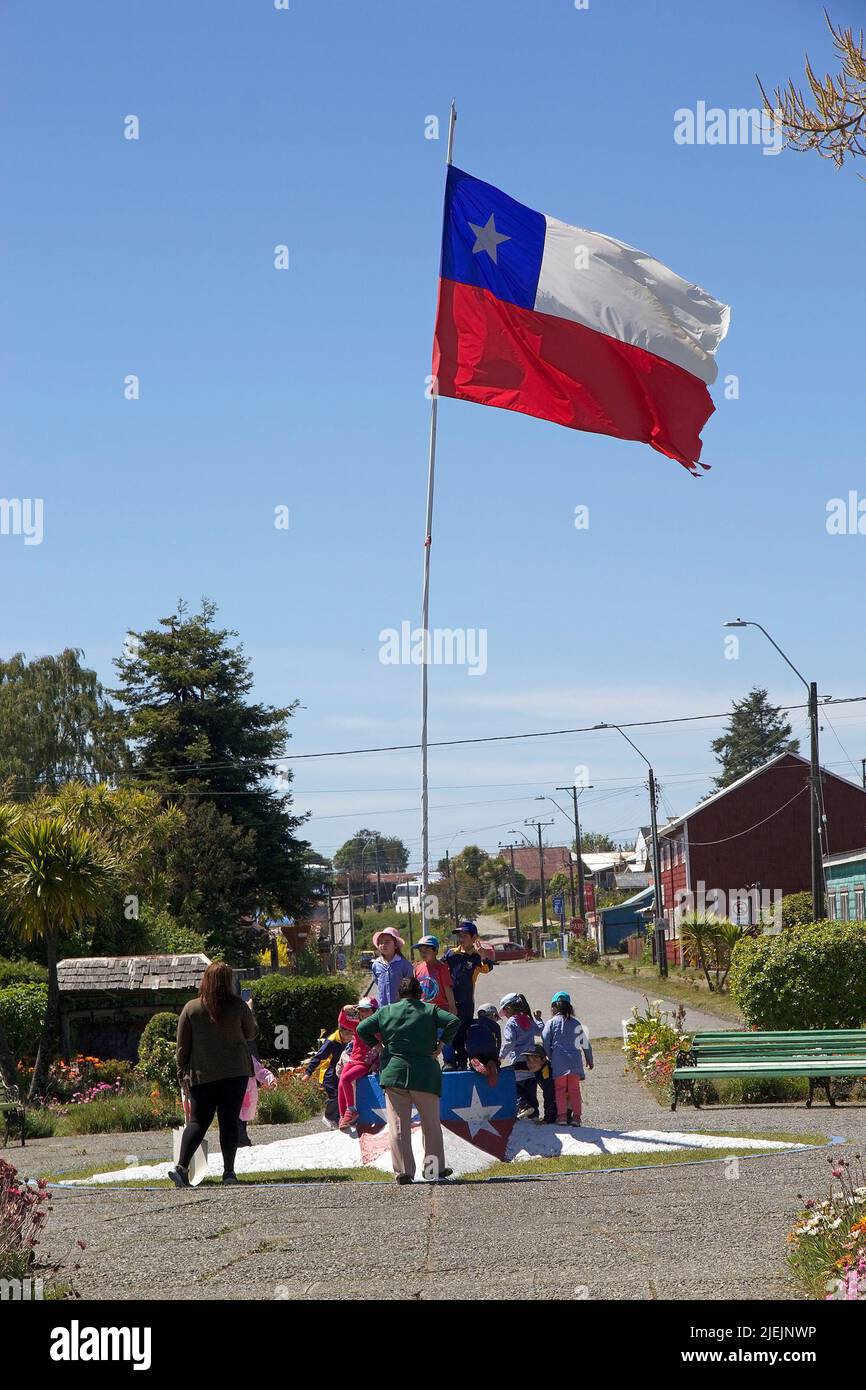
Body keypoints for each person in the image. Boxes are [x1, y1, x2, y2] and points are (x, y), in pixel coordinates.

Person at [355, 975, 460, 1185]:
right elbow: (454, 1021)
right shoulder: (429, 1010)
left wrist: (377, 1046)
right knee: (430, 1125)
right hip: (424, 1074)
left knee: (398, 1126)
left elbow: (361, 1029)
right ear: (420, 993)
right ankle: (433, 1169)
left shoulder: (385, 1011)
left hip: (395, 1073)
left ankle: (404, 1171)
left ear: (398, 995)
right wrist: (441, 1044)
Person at [169, 962, 256, 1188]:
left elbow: (182, 1046)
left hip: (202, 1073)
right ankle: (228, 1173)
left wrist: (181, 1071)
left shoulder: (191, 1008)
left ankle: (181, 1167)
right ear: (228, 981)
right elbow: (251, 1033)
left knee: (198, 1121)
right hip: (234, 1072)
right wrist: (250, 1009)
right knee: (228, 1121)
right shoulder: (238, 1006)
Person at [441, 922, 495, 1069]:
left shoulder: (477, 957)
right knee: (449, 1031)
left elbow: (487, 969)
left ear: (474, 938)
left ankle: (463, 1062)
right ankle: (449, 1062)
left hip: (466, 1002)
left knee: (464, 1033)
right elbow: (439, 967)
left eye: (465, 936)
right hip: (450, 1000)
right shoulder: (451, 954)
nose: (461, 939)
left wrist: (483, 955)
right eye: (459, 936)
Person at [542, 991, 594, 1127]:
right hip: (575, 1063)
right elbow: (585, 1043)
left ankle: (562, 1117)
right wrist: (589, 1059)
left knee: (559, 1090)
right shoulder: (576, 1023)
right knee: (574, 1090)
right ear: (570, 1008)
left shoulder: (551, 1023)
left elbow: (545, 1040)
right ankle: (576, 1117)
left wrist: (550, 1055)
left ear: (553, 1007)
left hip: (559, 1062)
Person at [337, 998, 380, 1130]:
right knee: (340, 1085)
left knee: (346, 1079)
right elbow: (342, 1021)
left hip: (365, 1063)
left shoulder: (379, 1029)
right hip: (353, 1060)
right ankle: (343, 1116)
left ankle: (352, 1110)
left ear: (374, 1011)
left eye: (367, 1010)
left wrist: (377, 1063)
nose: (364, 1013)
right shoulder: (357, 1025)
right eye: (361, 1010)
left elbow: (383, 1048)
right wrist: (344, 1009)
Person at [498, 993, 542, 1119]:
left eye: (504, 1011)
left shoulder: (512, 1022)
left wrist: (500, 1057)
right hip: (531, 1062)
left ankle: (523, 1106)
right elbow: (540, 1031)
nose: (505, 1015)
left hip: (518, 1060)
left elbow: (509, 1042)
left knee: (516, 1087)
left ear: (509, 1008)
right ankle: (534, 1114)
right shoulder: (528, 1019)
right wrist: (538, 1019)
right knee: (531, 1088)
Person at [306, 1016, 354, 1128]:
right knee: (336, 1095)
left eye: (351, 1034)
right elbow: (318, 1056)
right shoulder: (331, 1041)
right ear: (341, 1031)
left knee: (345, 1094)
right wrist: (308, 1072)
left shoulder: (349, 1040)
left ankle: (339, 1119)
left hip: (341, 1072)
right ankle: (329, 1117)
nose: (350, 1038)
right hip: (329, 1074)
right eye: (347, 1034)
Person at [412, 935, 457, 1013]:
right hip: (423, 1008)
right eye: (421, 950)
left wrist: (452, 1007)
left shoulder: (442, 968)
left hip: (440, 1008)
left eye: (427, 950)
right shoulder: (417, 969)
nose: (423, 953)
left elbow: (448, 989)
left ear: (435, 951)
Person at [369, 927, 414, 1005]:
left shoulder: (404, 964)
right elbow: (377, 981)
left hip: (400, 1007)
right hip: (383, 1007)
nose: (383, 945)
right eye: (380, 942)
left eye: (387, 942)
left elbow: (410, 985)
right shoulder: (376, 964)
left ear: (396, 945)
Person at [466, 1003, 501, 1086]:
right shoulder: (495, 1025)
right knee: (493, 1060)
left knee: (474, 1058)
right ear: (493, 1015)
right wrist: (496, 1058)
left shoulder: (470, 1024)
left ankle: (473, 1062)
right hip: (490, 1051)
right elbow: (498, 1043)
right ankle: (491, 1062)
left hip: (473, 1051)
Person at [523, 1044, 557, 1124]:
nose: (531, 1064)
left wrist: (548, 1119)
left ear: (544, 1060)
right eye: (528, 1060)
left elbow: (549, 1095)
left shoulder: (546, 1073)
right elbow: (520, 1066)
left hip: (564, 1101)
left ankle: (553, 1117)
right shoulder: (539, 1067)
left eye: (535, 1060)